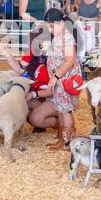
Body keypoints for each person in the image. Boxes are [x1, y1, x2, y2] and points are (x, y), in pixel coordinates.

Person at [28, 8, 81, 149]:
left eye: (52, 26)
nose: (50, 29)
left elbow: (70, 60)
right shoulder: (58, 36)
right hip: (59, 79)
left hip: (65, 79)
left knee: (65, 110)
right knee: (61, 109)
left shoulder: (67, 38)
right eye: (49, 26)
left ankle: (68, 143)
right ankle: (63, 141)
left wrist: (56, 76)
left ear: (62, 23)